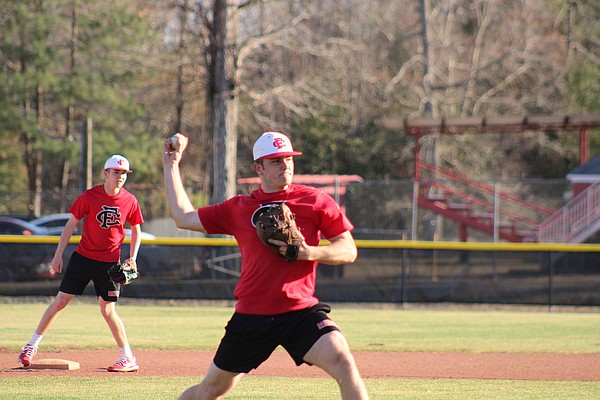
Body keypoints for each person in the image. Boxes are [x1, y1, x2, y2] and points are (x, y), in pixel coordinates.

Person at [162, 132, 369, 400]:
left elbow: (348, 249)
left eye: (288, 159)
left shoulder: (314, 201)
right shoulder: (239, 207)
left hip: (299, 311)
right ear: (258, 168)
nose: (285, 165)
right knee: (210, 390)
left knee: (342, 359)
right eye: (276, 161)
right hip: (253, 314)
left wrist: (309, 252)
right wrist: (171, 165)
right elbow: (183, 217)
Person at [18, 154, 144, 373]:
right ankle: (31, 346)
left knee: (107, 310)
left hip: (109, 263)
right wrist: (57, 256)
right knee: (61, 301)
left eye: (124, 173)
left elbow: (136, 231)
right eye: (116, 172)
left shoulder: (130, 200)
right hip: (83, 257)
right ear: (106, 173)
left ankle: (128, 357)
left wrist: (132, 257)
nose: (120, 177)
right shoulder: (90, 196)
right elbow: (70, 225)